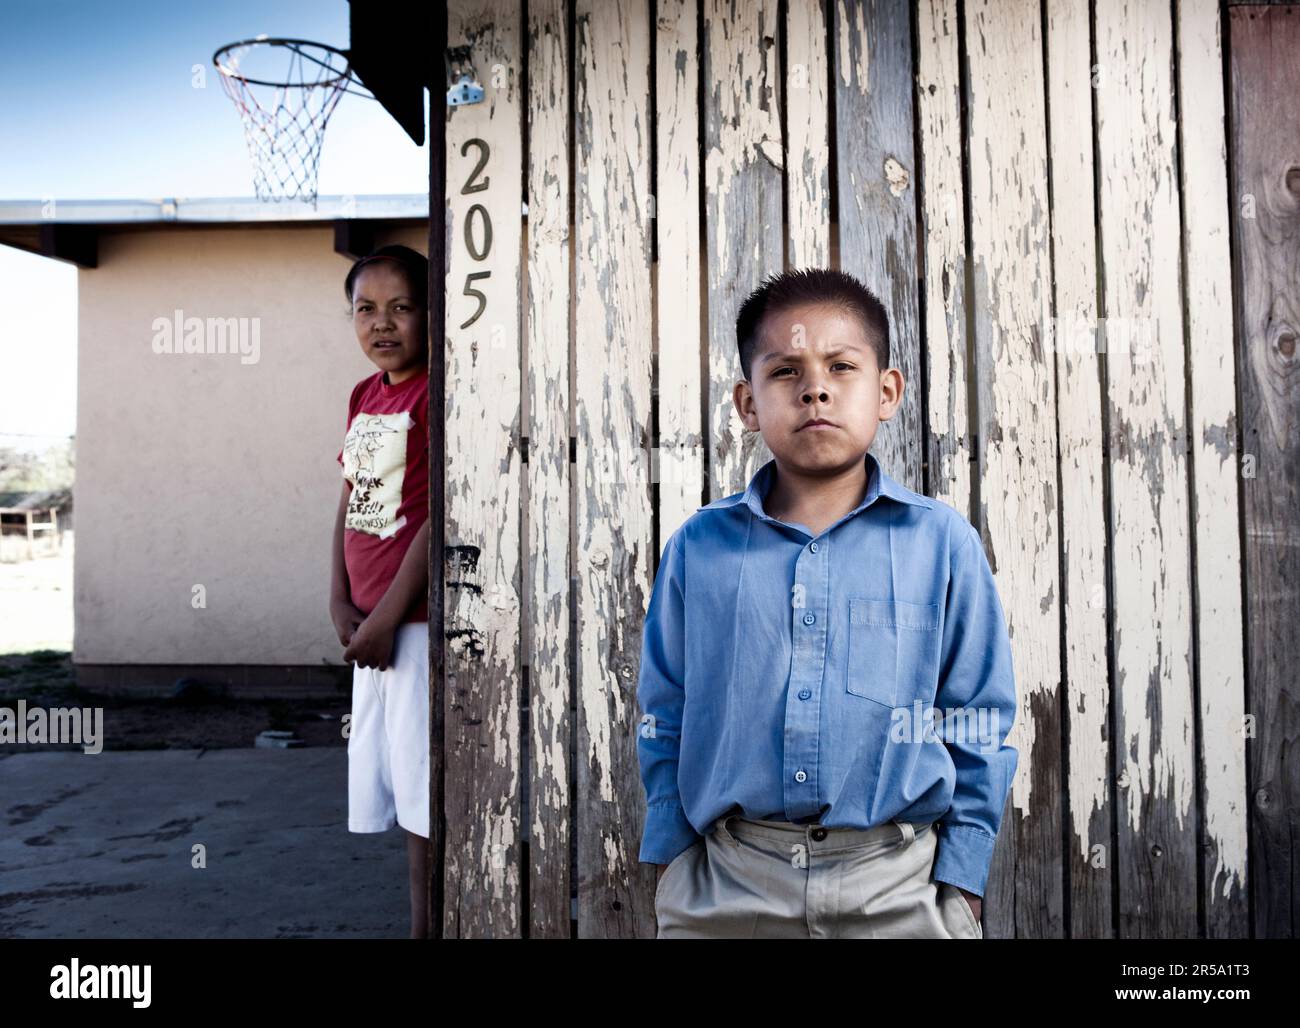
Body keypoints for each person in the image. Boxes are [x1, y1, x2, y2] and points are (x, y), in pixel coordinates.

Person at [636, 267, 1018, 938]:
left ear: (887, 391)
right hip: (730, 884)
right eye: (785, 372)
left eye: (842, 367)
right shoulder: (700, 548)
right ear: (748, 404)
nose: (814, 387)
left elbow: (977, 720)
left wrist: (962, 883)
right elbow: (664, 712)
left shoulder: (941, 543)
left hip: (898, 887)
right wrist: (671, 861)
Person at [330, 244, 432, 939]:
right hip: (369, 626)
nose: (382, 323)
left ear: (430, 313)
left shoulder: (436, 390)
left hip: (414, 624)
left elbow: (438, 515)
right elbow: (351, 503)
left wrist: (389, 617)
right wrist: (337, 600)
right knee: (395, 785)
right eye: (366, 309)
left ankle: (431, 926)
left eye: (401, 307)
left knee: (428, 796)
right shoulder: (366, 396)